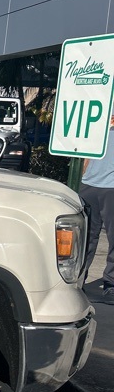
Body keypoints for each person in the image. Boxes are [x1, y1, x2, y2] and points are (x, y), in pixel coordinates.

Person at [80, 112, 114, 303]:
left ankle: (110, 285)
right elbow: (86, 155)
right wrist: (85, 176)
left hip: (112, 187)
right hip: (89, 186)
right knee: (85, 238)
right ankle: (78, 281)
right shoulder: (97, 126)